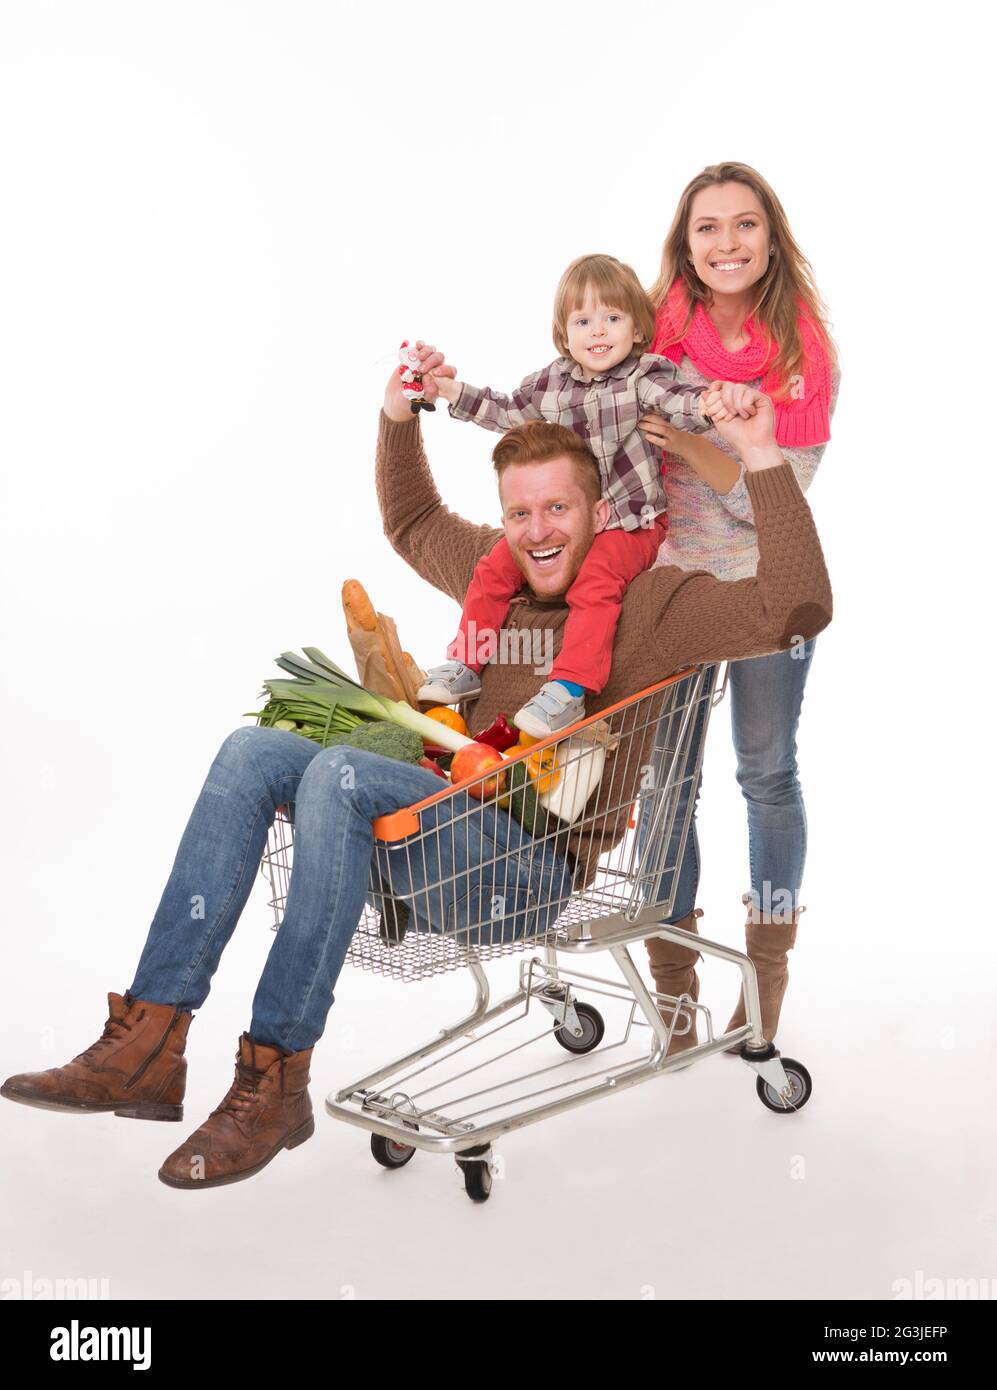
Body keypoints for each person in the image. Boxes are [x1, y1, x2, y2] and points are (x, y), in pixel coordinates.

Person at [0, 345, 832, 1189]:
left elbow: (796, 605)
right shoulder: (495, 579)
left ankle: (275, 1075)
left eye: (557, 509)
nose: (537, 531)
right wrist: (400, 414)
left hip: (525, 871)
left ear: (599, 508)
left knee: (340, 775)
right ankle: (149, 1036)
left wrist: (761, 457)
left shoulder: (653, 603)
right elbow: (409, 521)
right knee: (249, 750)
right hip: (432, 824)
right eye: (519, 514)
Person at [636, 162, 841, 1052]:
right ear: (685, 244)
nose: (725, 244)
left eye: (743, 225)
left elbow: (773, 497)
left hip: (767, 592)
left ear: (770, 237)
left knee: (765, 774)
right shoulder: (647, 334)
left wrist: (685, 438)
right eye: (706, 228)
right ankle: (674, 987)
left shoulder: (805, 353)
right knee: (664, 783)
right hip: (674, 588)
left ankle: (765, 976)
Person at [418, 253, 749, 737]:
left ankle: (569, 689)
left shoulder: (644, 376)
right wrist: (450, 390)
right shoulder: (551, 384)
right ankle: (467, 662)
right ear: (564, 333)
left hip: (628, 523)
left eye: (613, 318)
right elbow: (506, 412)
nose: (598, 331)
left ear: (637, 329)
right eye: (584, 320)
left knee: (594, 583)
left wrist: (708, 403)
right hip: (569, 522)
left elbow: (678, 402)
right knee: (495, 567)